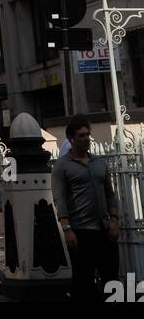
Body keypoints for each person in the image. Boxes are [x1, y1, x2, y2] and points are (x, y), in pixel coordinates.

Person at [51, 115, 120, 302]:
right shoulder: (62, 166)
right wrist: (67, 229)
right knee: (84, 282)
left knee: (112, 279)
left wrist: (114, 221)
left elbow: (110, 194)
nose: (86, 138)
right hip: (81, 231)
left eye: (88, 135)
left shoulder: (99, 163)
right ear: (72, 139)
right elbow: (60, 199)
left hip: (104, 229)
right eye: (81, 136)